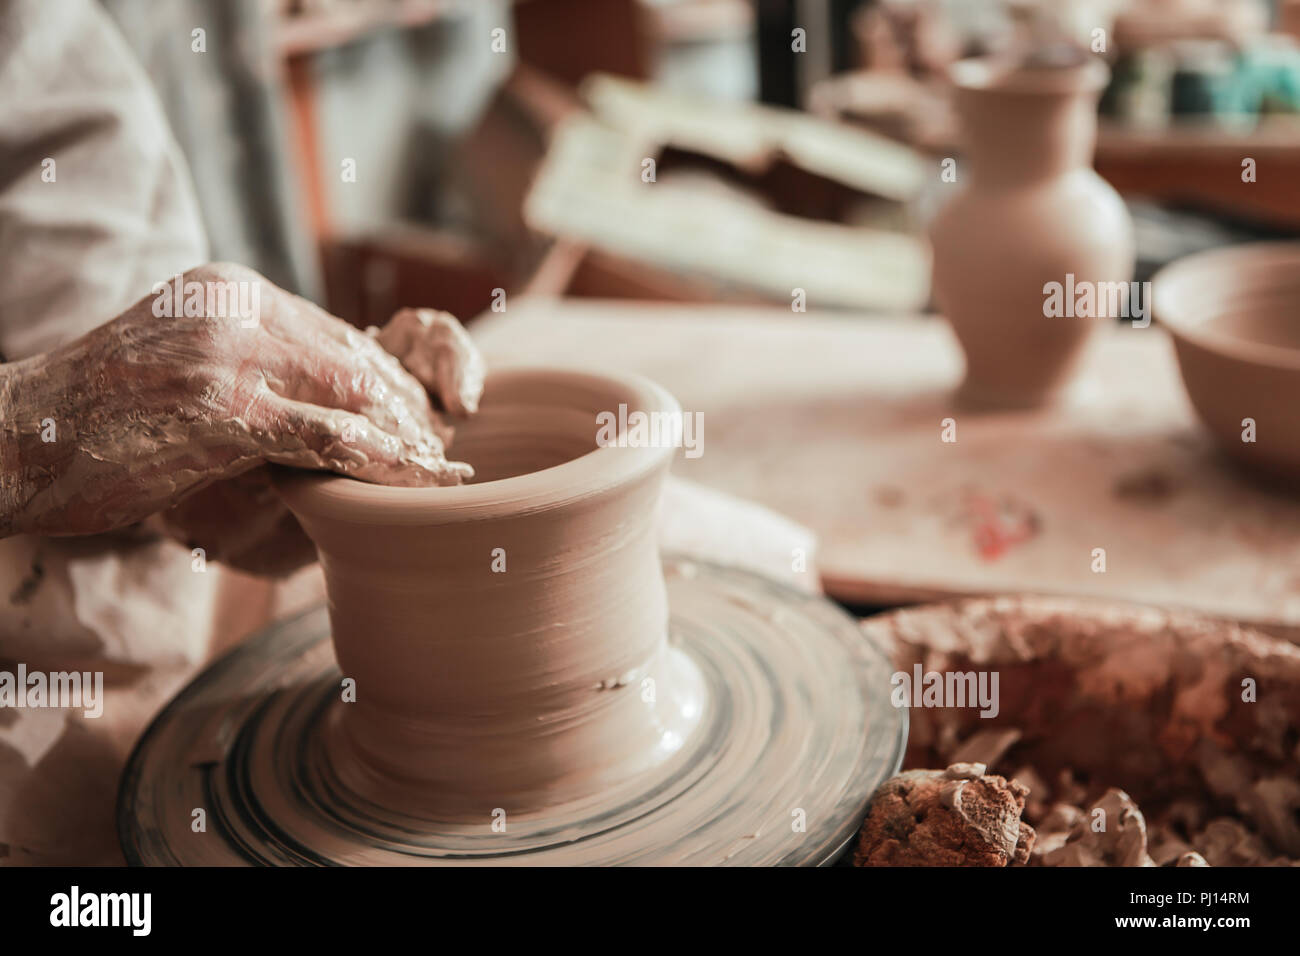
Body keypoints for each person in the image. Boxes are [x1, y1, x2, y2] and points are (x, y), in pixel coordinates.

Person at [0, 0, 479, 864]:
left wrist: (206, 464)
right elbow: (57, 416)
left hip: (74, 591)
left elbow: (79, 237)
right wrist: (29, 431)